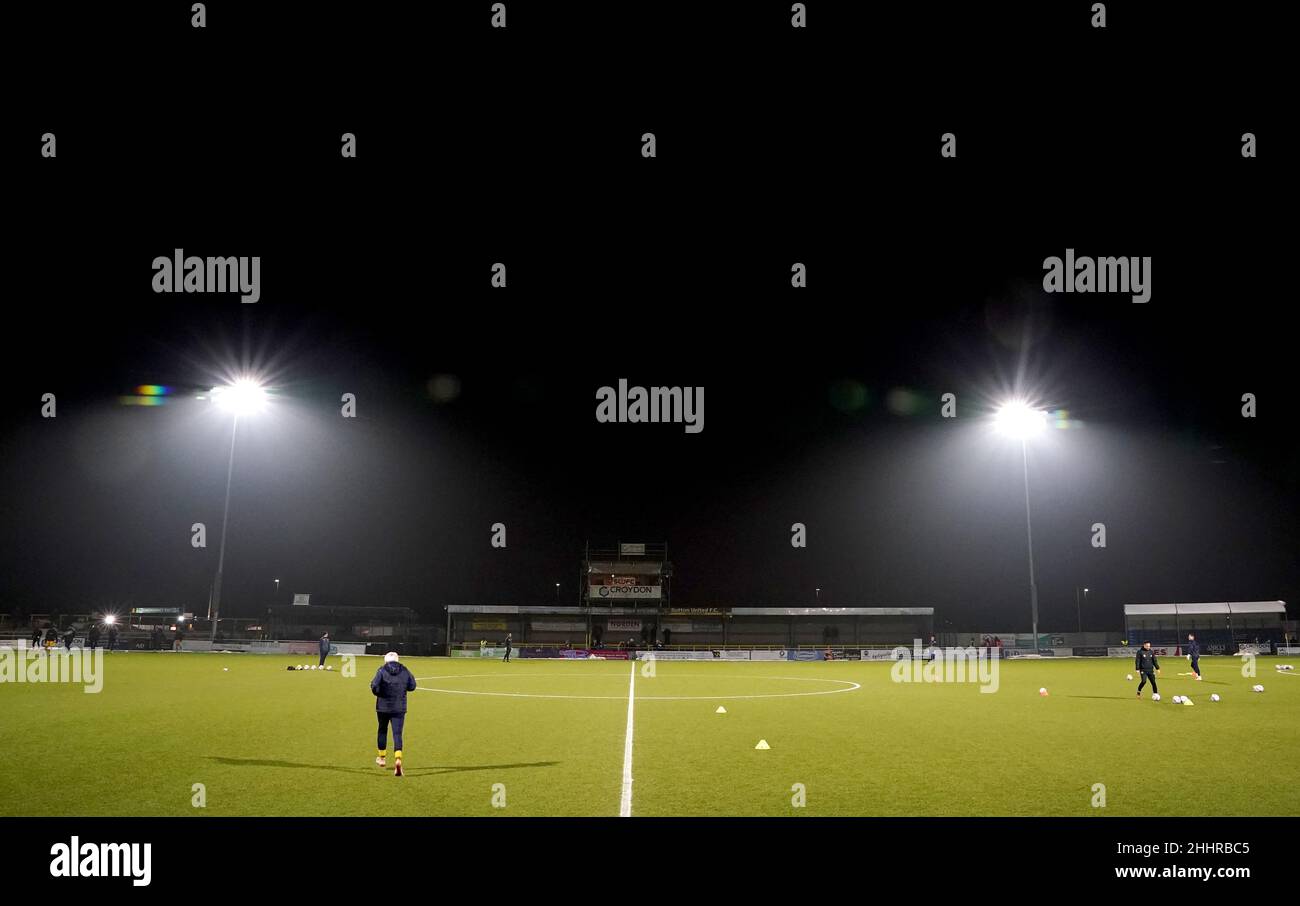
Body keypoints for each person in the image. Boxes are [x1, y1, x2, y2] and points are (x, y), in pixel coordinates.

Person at [370, 651, 417, 777]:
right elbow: (412, 686)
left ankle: (382, 758)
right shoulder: (405, 670)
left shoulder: (381, 670)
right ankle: (398, 759)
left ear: (385, 660)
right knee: (397, 733)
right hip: (399, 707)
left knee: (382, 730)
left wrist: (379, 693)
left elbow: (374, 686)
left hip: (383, 707)